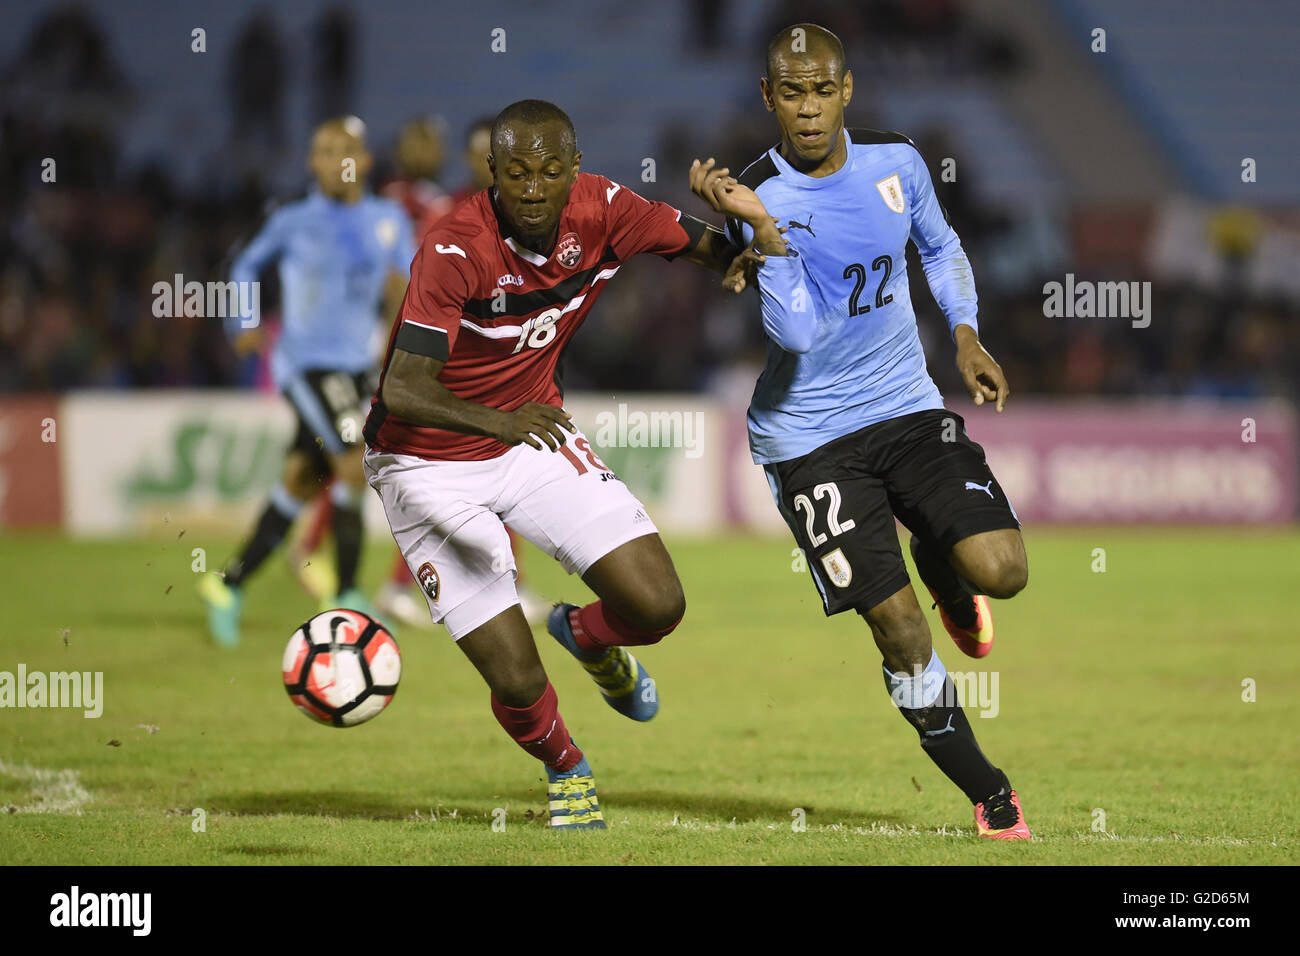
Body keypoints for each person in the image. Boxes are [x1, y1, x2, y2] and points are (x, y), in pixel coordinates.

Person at [362, 99, 750, 829]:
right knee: (512, 673)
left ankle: (588, 635)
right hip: (423, 463)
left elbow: (711, 252)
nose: (533, 188)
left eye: (548, 172)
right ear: (492, 172)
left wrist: (746, 248)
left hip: (526, 439)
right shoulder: (453, 246)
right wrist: (501, 421)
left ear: (574, 169)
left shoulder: (607, 208)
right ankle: (567, 764)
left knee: (658, 603)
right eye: (515, 173)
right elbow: (404, 388)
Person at [689, 23, 1032, 839]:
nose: (807, 109)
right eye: (790, 93)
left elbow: (940, 246)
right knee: (898, 628)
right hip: (808, 439)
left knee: (1003, 570)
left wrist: (966, 333)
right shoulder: (751, 195)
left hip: (906, 407)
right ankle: (990, 793)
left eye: (822, 90)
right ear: (767, 98)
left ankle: (949, 575)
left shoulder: (898, 162)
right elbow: (798, 334)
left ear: (847, 91)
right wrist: (761, 235)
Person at [198, 116, 415, 648]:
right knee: (351, 460)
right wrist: (242, 320)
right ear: (311, 164)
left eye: (345, 150)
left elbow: (411, 288)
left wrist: (399, 304)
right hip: (304, 365)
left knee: (301, 478)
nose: (333, 160)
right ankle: (346, 597)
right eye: (322, 151)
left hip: (358, 369)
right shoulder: (293, 219)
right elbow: (244, 263)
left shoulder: (389, 219)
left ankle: (228, 584)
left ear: (364, 161)